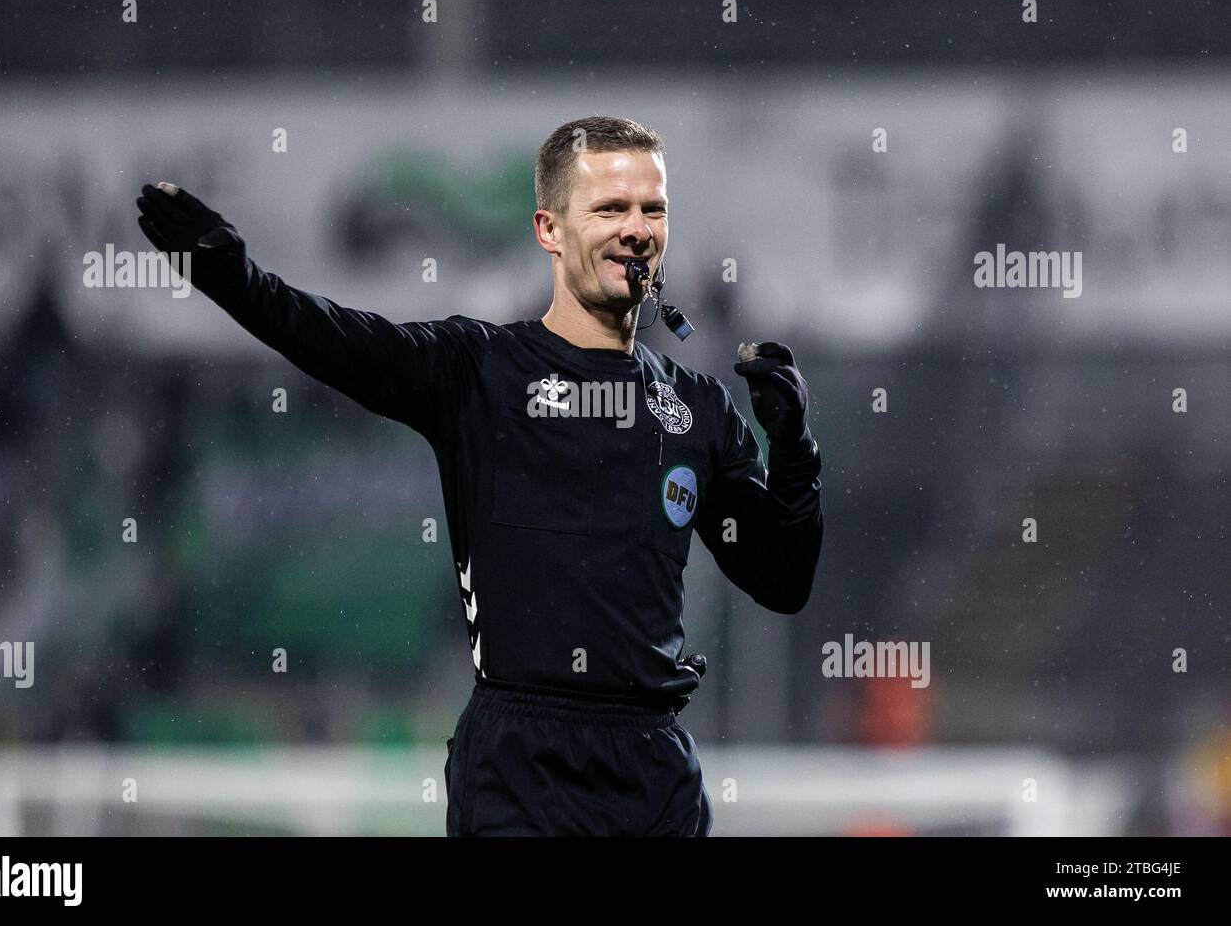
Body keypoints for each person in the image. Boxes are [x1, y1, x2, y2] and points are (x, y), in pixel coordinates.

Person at [135, 115, 823, 836]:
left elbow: (782, 579)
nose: (637, 228)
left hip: (653, 775)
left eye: (653, 209)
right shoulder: (478, 371)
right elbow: (334, 339)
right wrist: (232, 281)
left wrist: (795, 449)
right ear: (549, 229)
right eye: (610, 208)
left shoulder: (698, 409)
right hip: (519, 767)